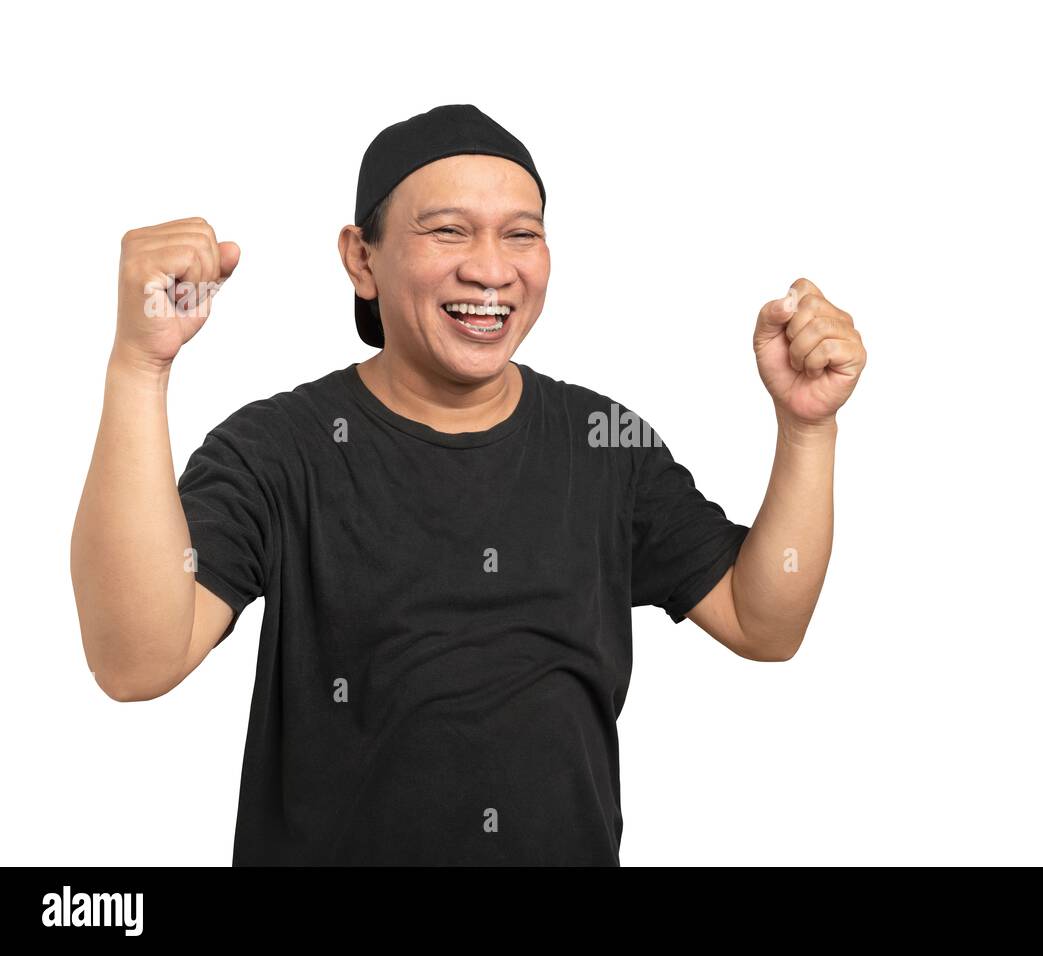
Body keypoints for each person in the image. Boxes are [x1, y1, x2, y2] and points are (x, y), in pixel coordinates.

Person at [70, 104, 867, 866]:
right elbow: (136, 662)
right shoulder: (280, 450)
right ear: (361, 258)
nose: (491, 269)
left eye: (521, 234)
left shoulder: (606, 443)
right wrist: (141, 365)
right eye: (448, 230)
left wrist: (807, 429)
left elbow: (764, 624)